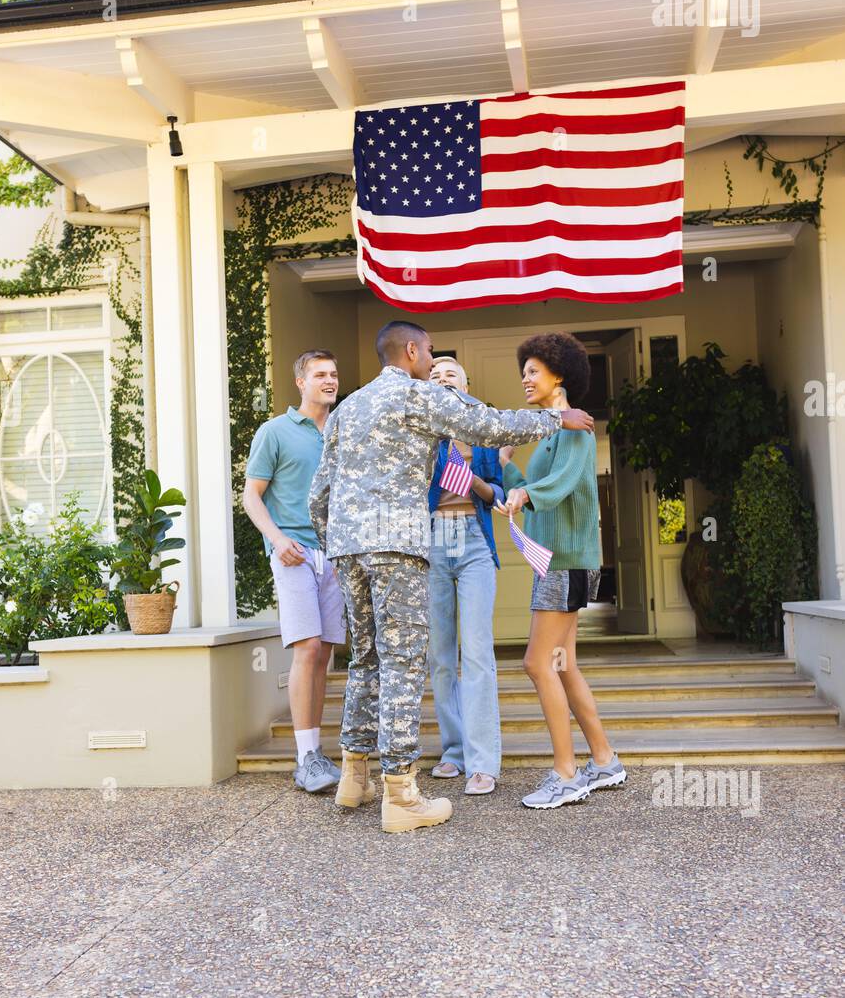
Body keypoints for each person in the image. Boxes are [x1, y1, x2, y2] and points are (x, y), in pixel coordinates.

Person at [308, 320, 595, 835]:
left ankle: (355, 776)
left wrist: (335, 544)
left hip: (348, 549)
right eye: (429, 352)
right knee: (402, 664)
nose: (430, 360)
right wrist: (559, 420)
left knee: (367, 659)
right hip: (396, 545)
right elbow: (487, 423)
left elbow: (319, 491)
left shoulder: (348, 407)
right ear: (412, 351)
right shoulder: (415, 396)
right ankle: (401, 795)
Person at [497, 332, 627, 809]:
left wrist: (528, 493)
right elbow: (539, 489)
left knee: (537, 662)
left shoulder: (576, 428)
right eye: (524, 371)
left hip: (566, 562)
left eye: (533, 371)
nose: (525, 379)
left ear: (559, 374)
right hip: (558, 560)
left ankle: (566, 775)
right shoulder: (554, 431)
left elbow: (564, 482)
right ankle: (605, 759)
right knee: (562, 664)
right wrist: (512, 474)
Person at [243, 350, 346, 794]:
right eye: (320, 374)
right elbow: (251, 496)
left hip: (335, 556)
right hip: (294, 554)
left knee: (324, 653)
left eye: (334, 374)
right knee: (306, 648)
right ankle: (305, 759)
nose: (330, 380)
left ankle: (315, 750)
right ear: (300, 382)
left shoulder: (343, 431)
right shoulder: (275, 432)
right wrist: (278, 540)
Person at [427, 357, 504, 796]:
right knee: (440, 656)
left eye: (450, 373)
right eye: (434, 375)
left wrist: (472, 481)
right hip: (434, 539)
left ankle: (483, 762)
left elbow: (496, 492)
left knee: (476, 653)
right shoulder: (422, 430)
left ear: (467, 382)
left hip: (474, 541)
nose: (442, 379)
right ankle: (454, 752)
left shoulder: (483, 425)